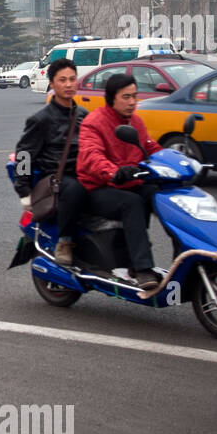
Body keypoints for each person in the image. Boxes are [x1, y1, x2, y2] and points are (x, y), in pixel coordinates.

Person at [76, 73, 163, 290]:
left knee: (160, 195)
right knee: (132, 202)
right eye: (126, 97)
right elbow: (91, 156)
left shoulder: (136, 122)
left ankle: (185, 251)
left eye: (134, 96)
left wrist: (177, 161)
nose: (132, 102)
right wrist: (114, 172)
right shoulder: (94, 123)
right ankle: (141, 267)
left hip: (129, 183)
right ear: (111, 98)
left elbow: (150, 147)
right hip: (99, 188)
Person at [12, 57, 89, 265]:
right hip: (57, 178)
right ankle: (64, 241)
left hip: (85, 174)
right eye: (62, 80)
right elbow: (24, 154)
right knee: (74, 188)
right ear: (52, 84)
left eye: (72, 79)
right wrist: (24, 191)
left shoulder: (84, 116)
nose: (68, 84)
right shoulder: (41, 119)